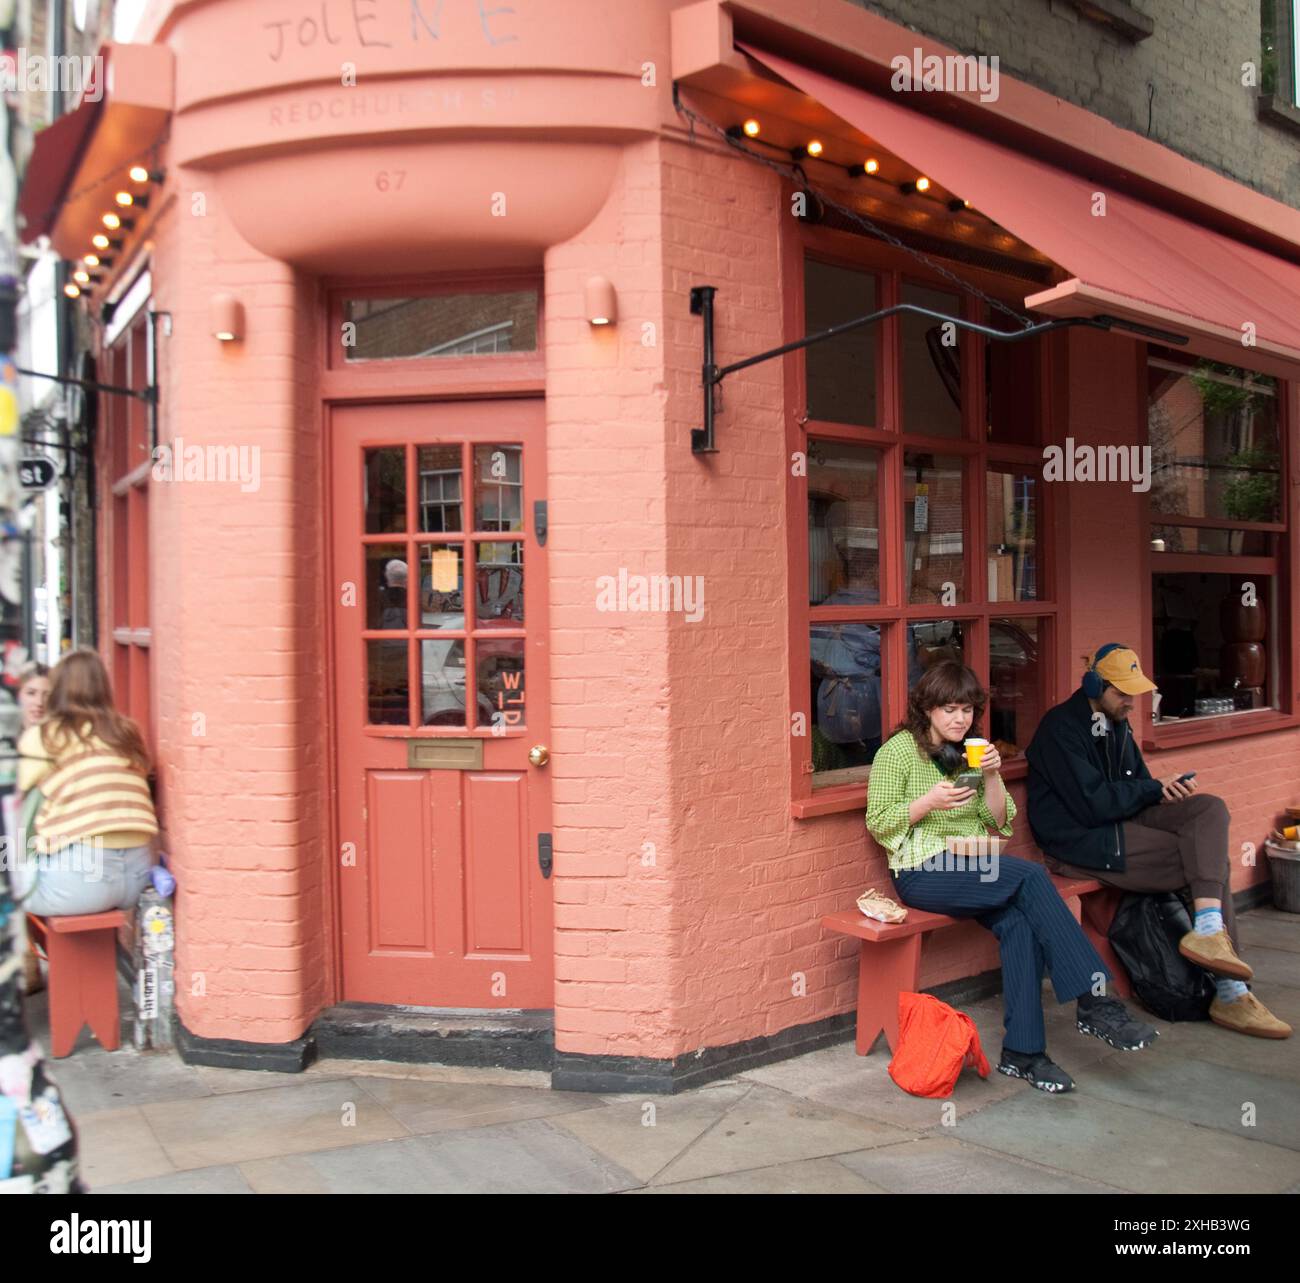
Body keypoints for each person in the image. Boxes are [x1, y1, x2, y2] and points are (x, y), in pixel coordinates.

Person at [866, 661, 1158, 1094]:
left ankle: (1024, 1054)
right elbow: (879, 821)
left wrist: (989, 775)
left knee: (1019, 924)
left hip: (971, 862)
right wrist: (927, 802)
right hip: (921, 870)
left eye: (966, 710)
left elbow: (998, 821)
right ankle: (1094, 999)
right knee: (1032, 877)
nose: (959, 719)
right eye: (949, 709)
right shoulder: (899, 752)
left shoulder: (969, 749)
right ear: (926, 708)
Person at [1026, 643, 1291, 1039]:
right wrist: (1150, 790)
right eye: (1122, 693)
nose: (1131, 701)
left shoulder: (1117, 723)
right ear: (1094, 684)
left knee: (1209, 810)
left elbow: (1135, 784)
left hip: (1121, 822)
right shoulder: (1060, 728)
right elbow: (1093, 805)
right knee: (1209, 862)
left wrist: (1162, 790)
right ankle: (1231, 992)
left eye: (1135, 692)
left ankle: (1208, 930)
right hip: (1080, 841)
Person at [16, 650, 158, 918]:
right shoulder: (127, 732)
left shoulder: (47, 734)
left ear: (56, 689)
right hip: (137, 880)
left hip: (79, 880)